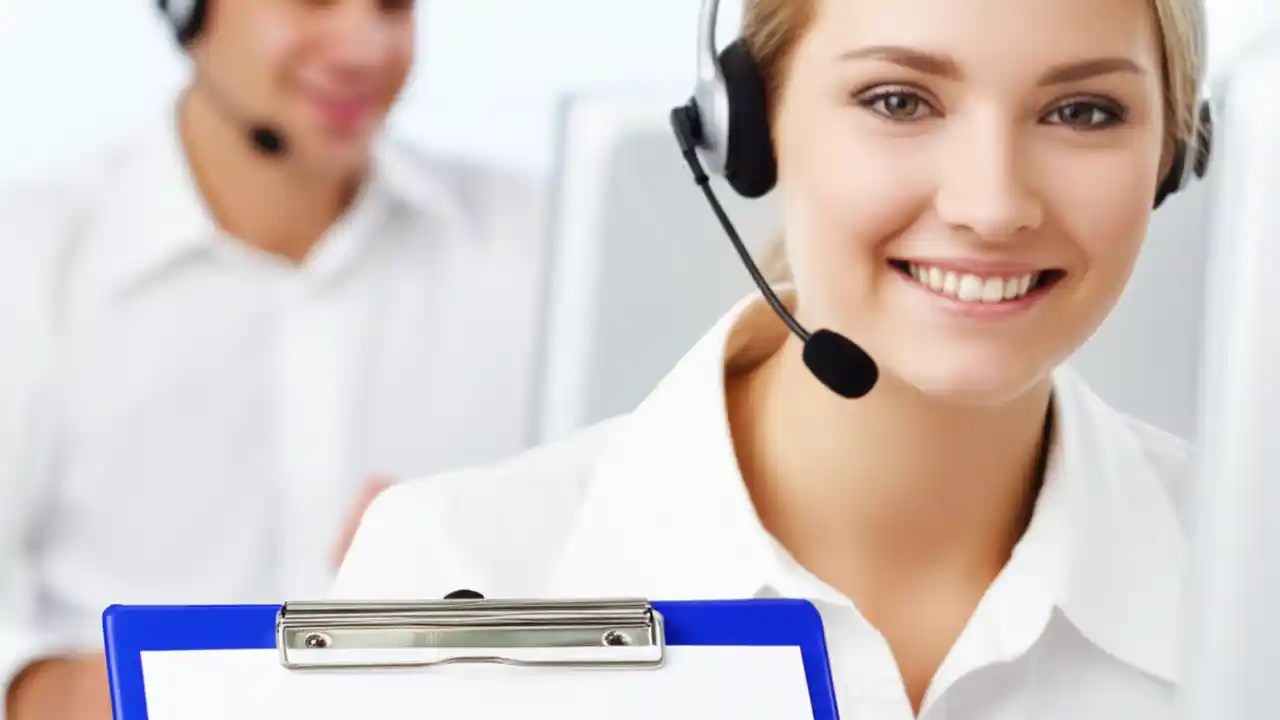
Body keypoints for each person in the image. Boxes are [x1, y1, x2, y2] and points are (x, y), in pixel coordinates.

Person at [333, 0, 1213, 717]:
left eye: (1082, 112)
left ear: (1173, 154)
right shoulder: (458, 576)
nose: (992, 204)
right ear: (749, 127)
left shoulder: (1251, 589)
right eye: (899, 100)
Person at [0, 1, 545, 717]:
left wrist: (497, 556)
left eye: (394, 6)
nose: (364, 45)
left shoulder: (537, 245)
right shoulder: (29, 259)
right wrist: (185, 691)